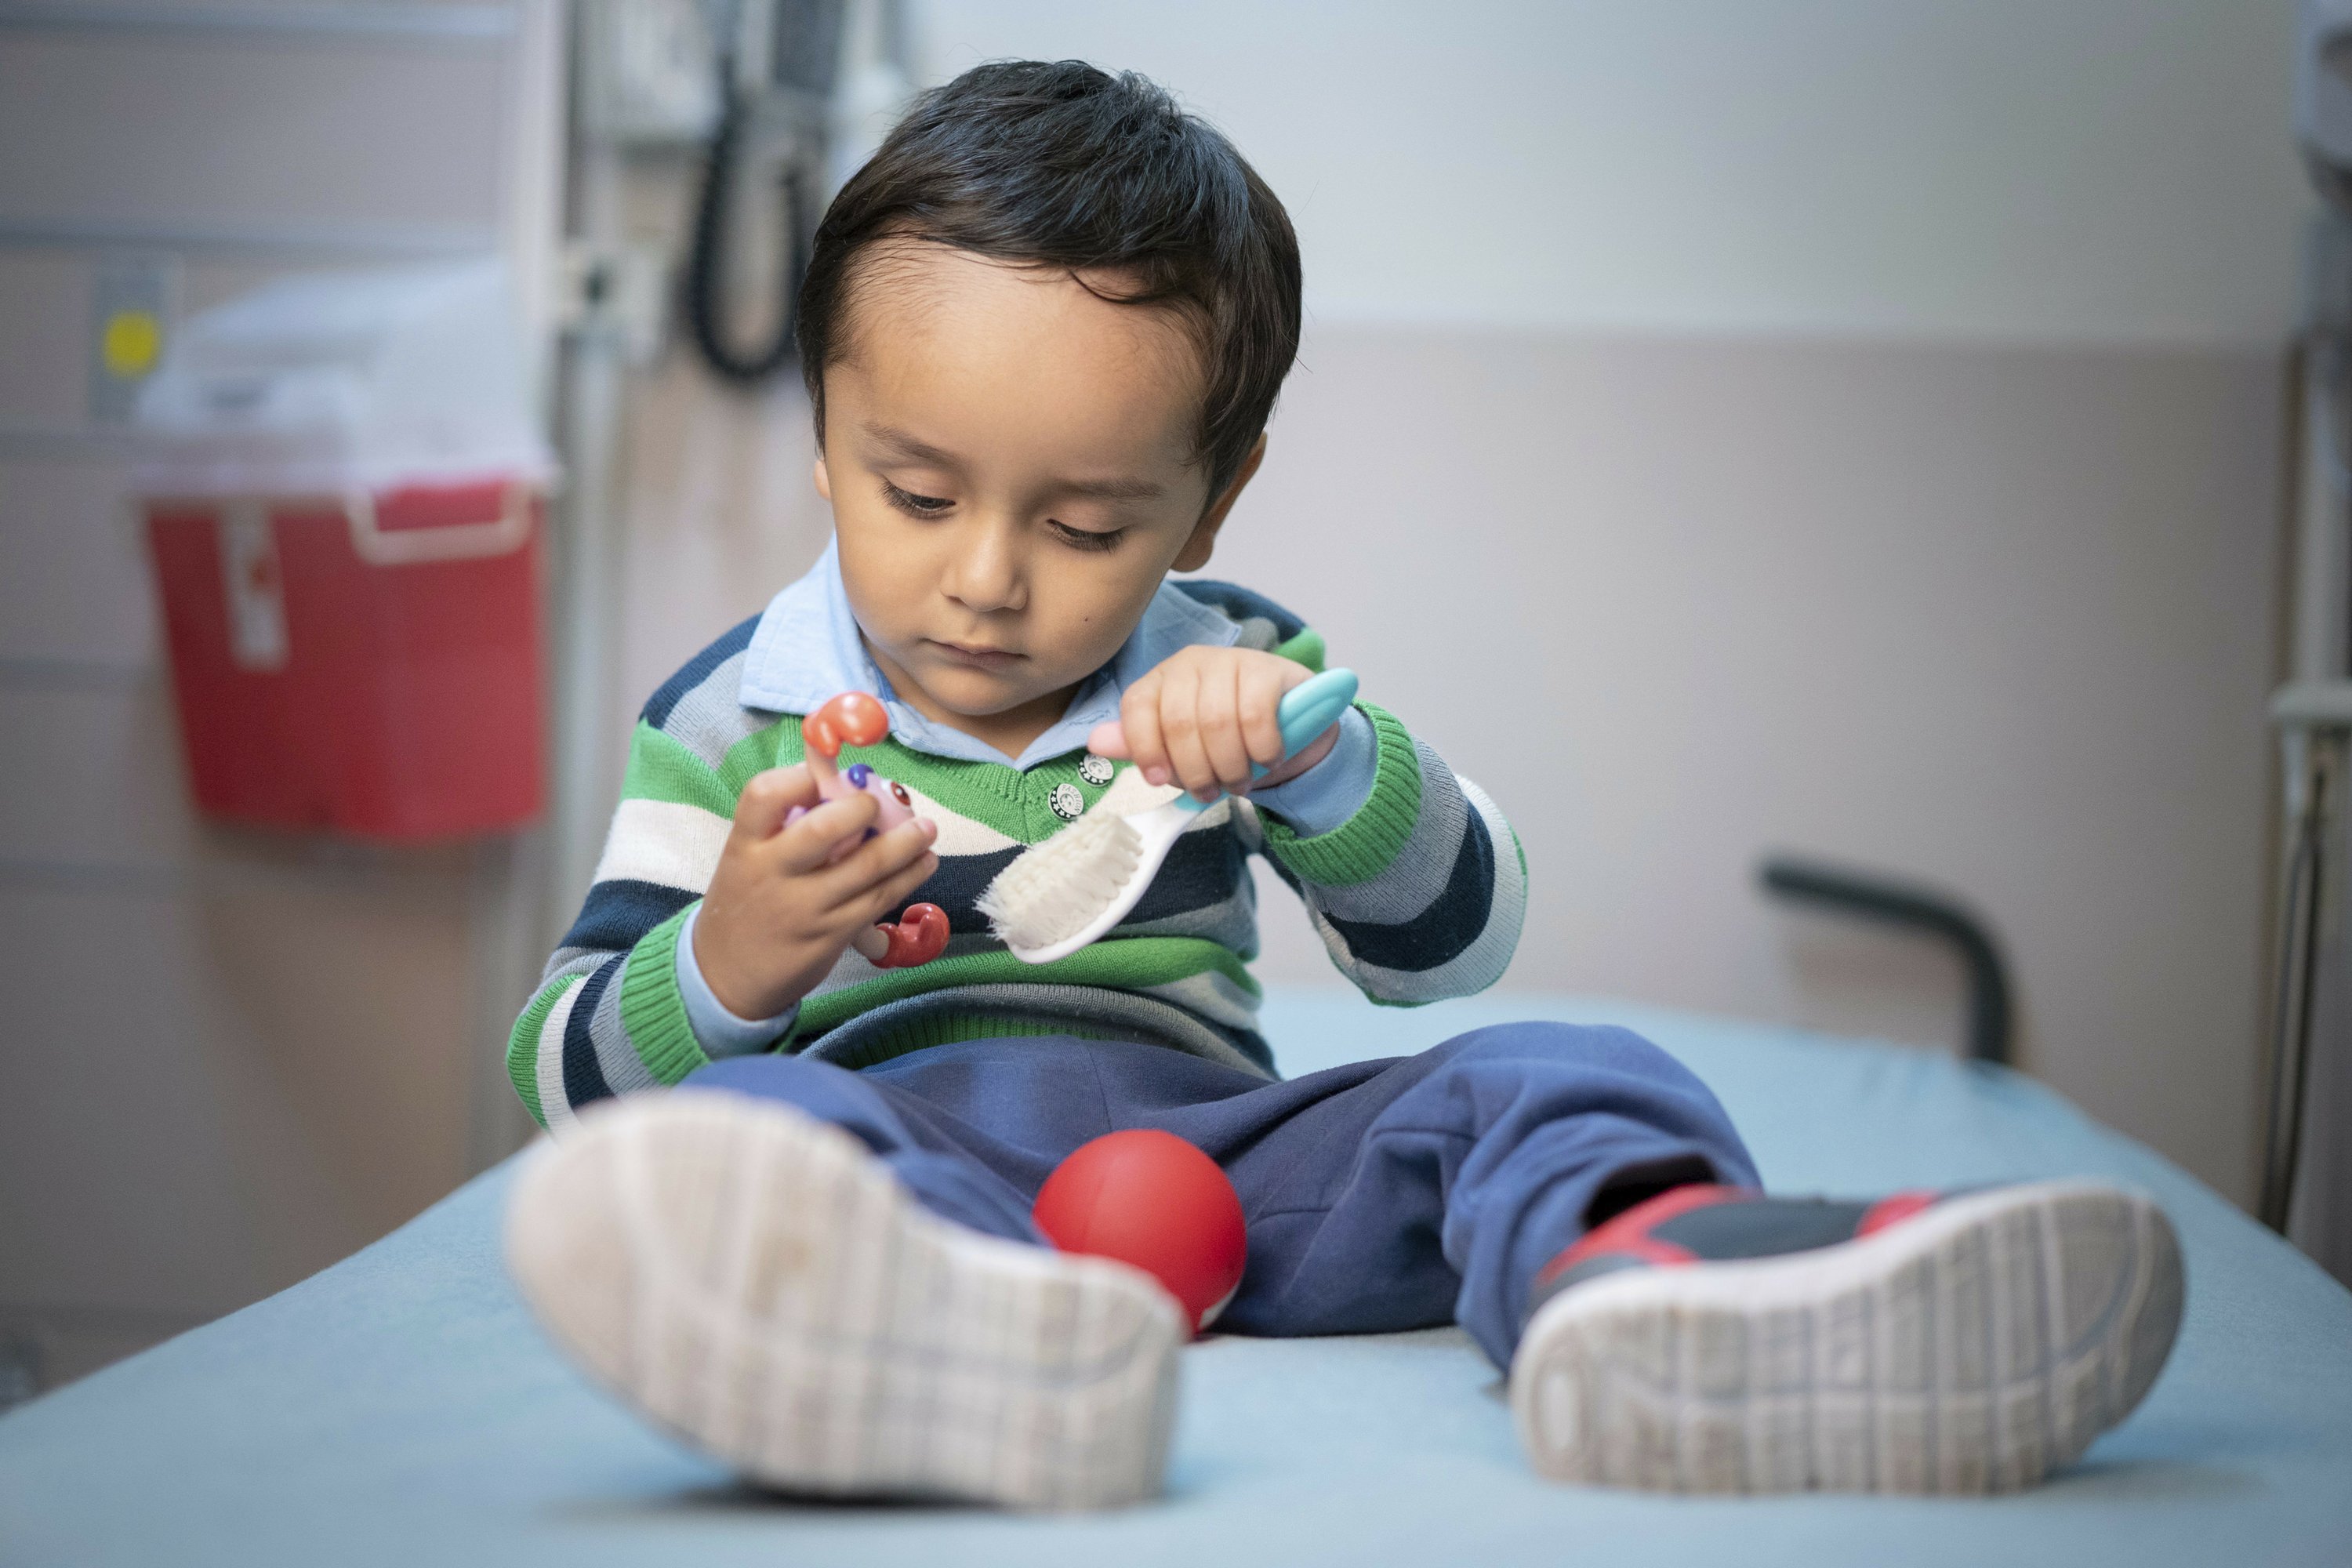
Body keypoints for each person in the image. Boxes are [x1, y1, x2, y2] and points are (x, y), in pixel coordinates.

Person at [502, 60, 2182, 1509]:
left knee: (1570, 1070)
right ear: (825, 435)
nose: (988, 580)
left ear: (1212, 504)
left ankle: (1657, 1284)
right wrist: (727, 960)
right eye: (919, 497)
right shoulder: (734, 718)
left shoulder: (1240, 669)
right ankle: (934, 1348)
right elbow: (567, 1086)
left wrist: (1321, 759)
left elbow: (1457, 946)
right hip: (910, 1164)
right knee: (762, 1137)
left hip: (1229, 1167)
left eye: (1085, 526)